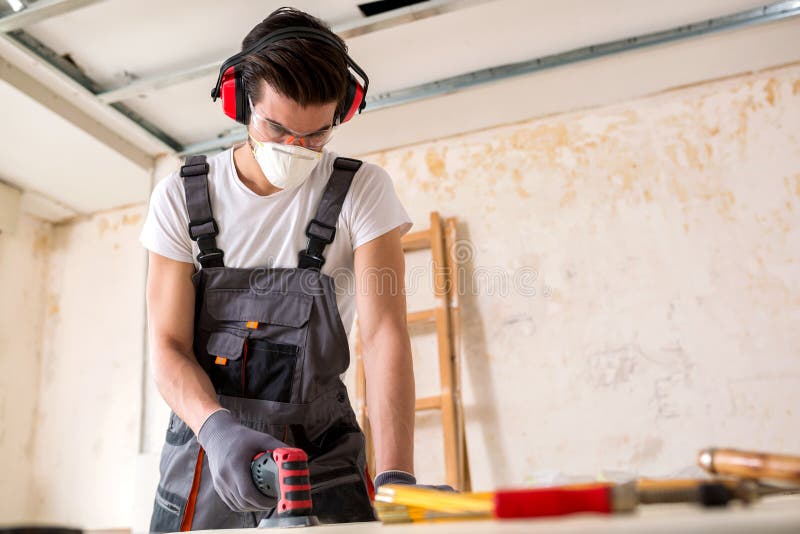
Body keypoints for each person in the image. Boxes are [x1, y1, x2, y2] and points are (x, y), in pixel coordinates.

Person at [140, 7, 421, 531]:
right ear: (240, 101)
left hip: (320, 454)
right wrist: (217, 430)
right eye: (277, 127)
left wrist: (396, 476)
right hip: (207, 448)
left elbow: (384, 335)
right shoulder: (180, 196)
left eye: (316, 135)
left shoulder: (362, 190)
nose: (296, 148)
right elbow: (167, 346)